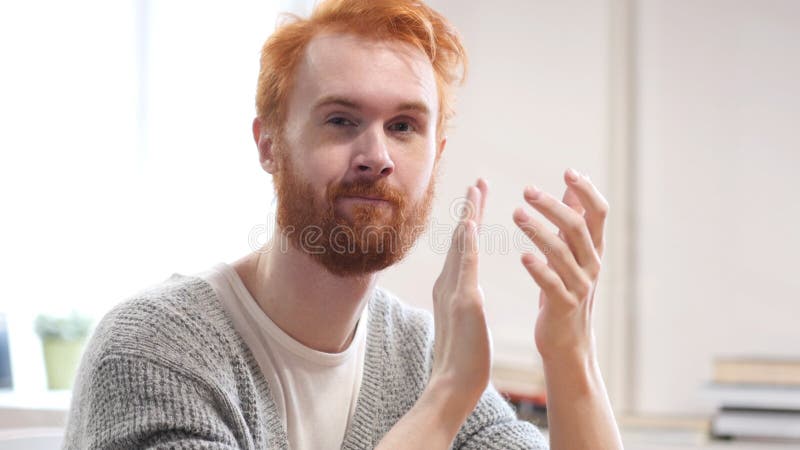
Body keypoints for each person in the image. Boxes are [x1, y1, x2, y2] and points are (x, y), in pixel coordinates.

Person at [64, 0, 623, 448]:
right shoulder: (153, 350)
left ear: (437, 156)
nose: (376, 156)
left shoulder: (418, 354)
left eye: (403, 126)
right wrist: (445, 400)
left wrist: (570, 351)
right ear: (269, 145)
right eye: (340, 120)